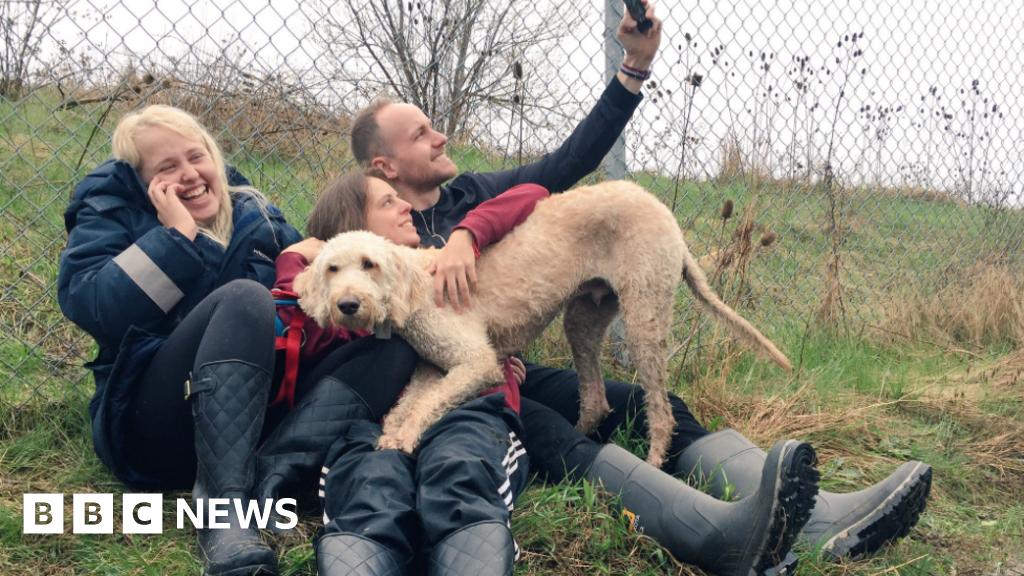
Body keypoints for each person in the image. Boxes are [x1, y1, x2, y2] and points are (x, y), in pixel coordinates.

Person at [344, 1, 932, 573]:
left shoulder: (471, 196)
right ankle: (717, 533)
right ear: (384, 167)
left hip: (507, 366)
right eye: (421, 134)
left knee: (646, 402)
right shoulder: (365, 236)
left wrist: (632, 70)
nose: (440, 136)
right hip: (467, 392)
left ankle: (815, 516)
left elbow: (559, 171)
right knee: (556, 435)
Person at [56, 105, 420, 576]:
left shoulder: (258, 218)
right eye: (167, 168)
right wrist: (177, 240)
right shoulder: (112, 211)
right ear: (143, 181)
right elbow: (92, 307)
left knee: (393, 345)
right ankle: (222, 511)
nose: (188, 174)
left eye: (196, 156)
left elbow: (313, 305)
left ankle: (274, 477)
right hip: (155, 425)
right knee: (247, 299)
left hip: (253, 422)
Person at [282, 170, 549, 575]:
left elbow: (534, 192)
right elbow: (301, 321)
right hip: (373, 427)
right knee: (369, 489)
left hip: (464, 414)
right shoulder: (342, 302)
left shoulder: (444, 262)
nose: (407, 205)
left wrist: (467, 234)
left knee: (459, 473)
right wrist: (295, 261)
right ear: (352, 232)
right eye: (387, 203)